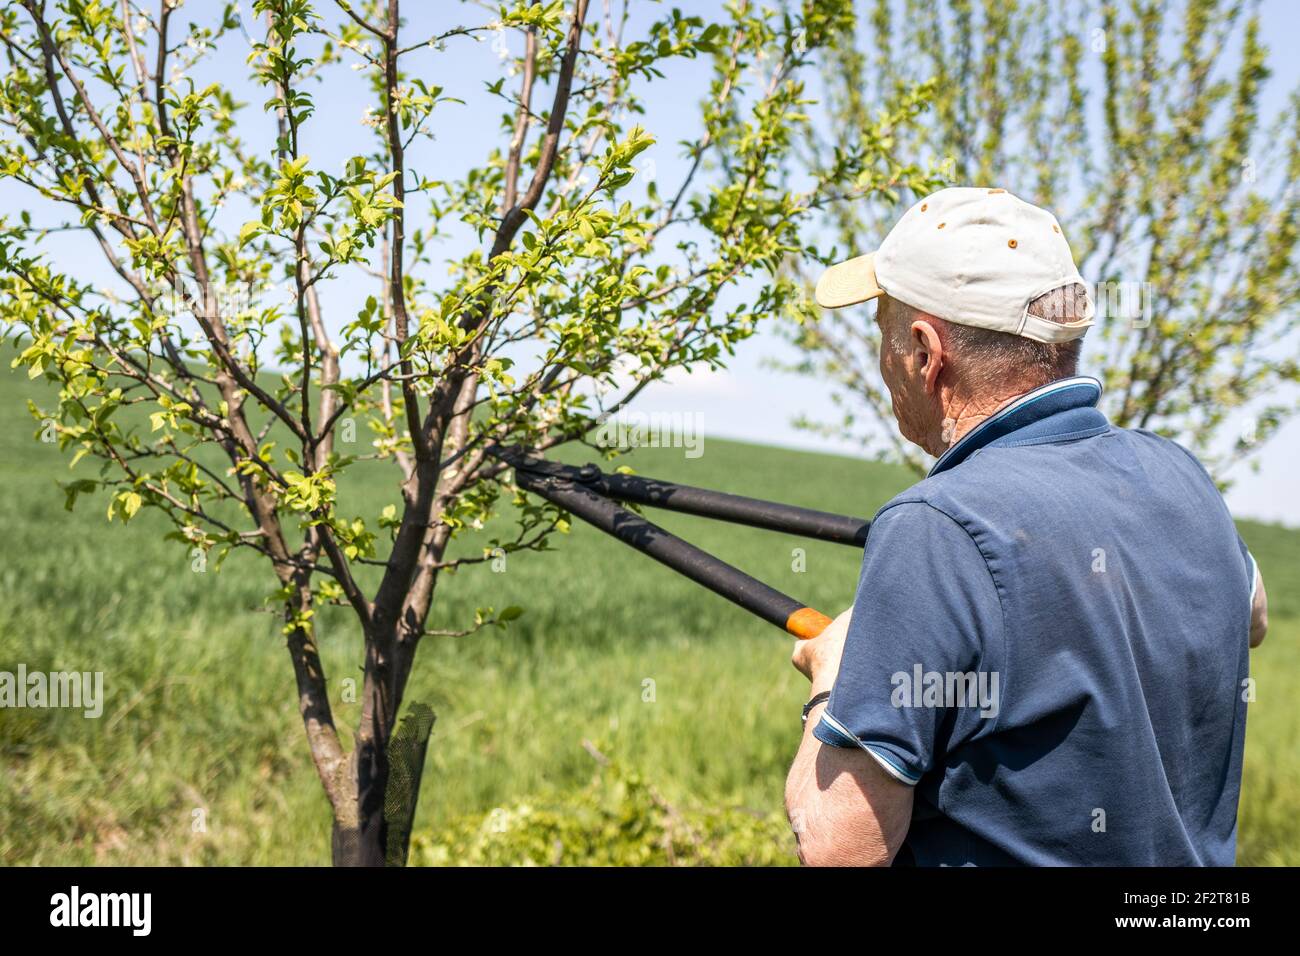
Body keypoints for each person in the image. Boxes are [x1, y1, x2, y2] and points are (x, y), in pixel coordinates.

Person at [784, 186, 1268, 866]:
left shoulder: (935, 526)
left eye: (883, 332)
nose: (883, 359)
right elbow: (1251, 613)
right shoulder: (1180, 474)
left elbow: (838, 848)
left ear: (925, 350)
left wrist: (835, 677)